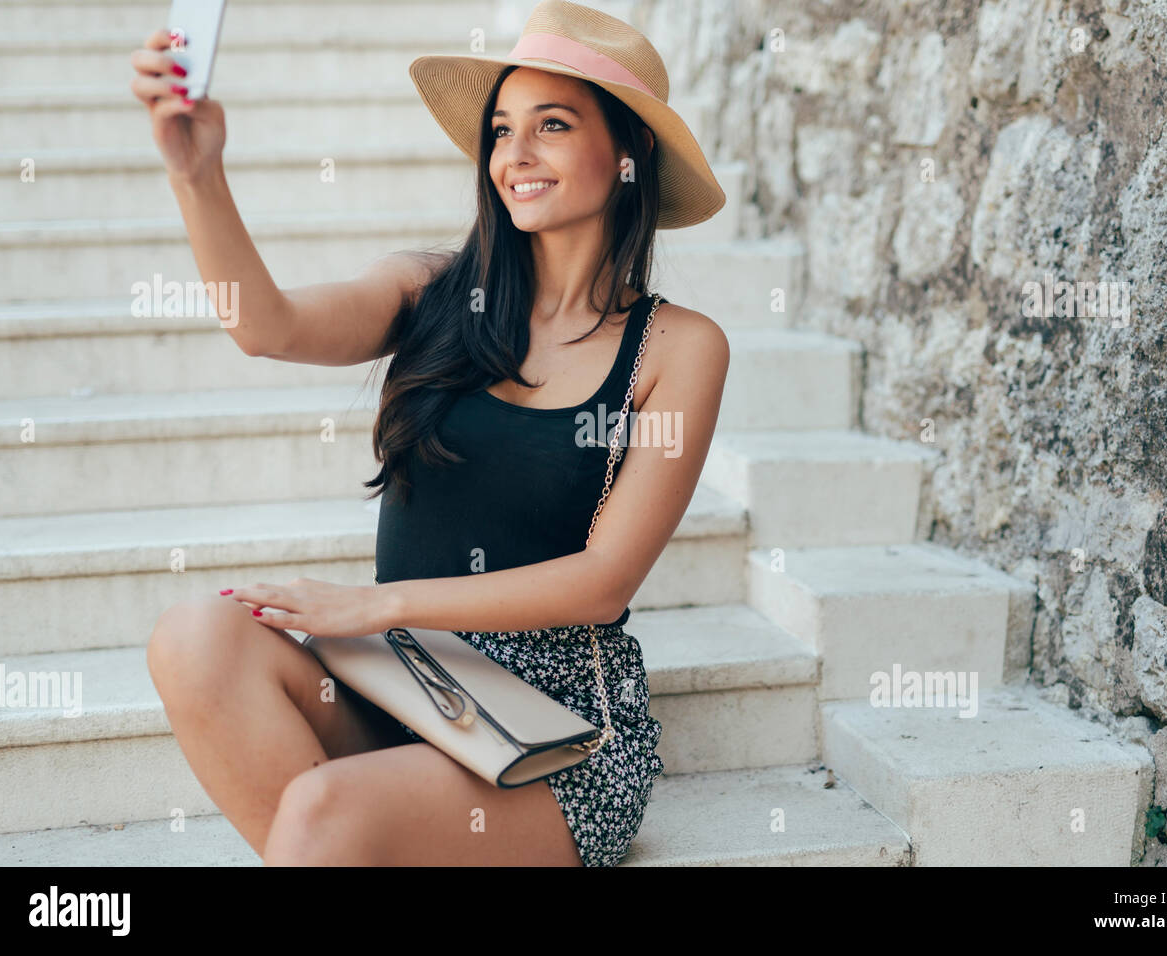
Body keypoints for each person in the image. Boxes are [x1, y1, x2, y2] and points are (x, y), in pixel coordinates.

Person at [135, 0, 729, 866]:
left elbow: (603, 583)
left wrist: (381, 604)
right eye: (500, 130)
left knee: (323, 814)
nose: (513, 156)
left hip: (558, 734)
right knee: (195, 638)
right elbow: (266, 327)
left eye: (552, 126)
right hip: (400, 687)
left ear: (629, 154)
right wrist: (197, 174)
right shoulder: (430, 292)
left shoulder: (679, 347)